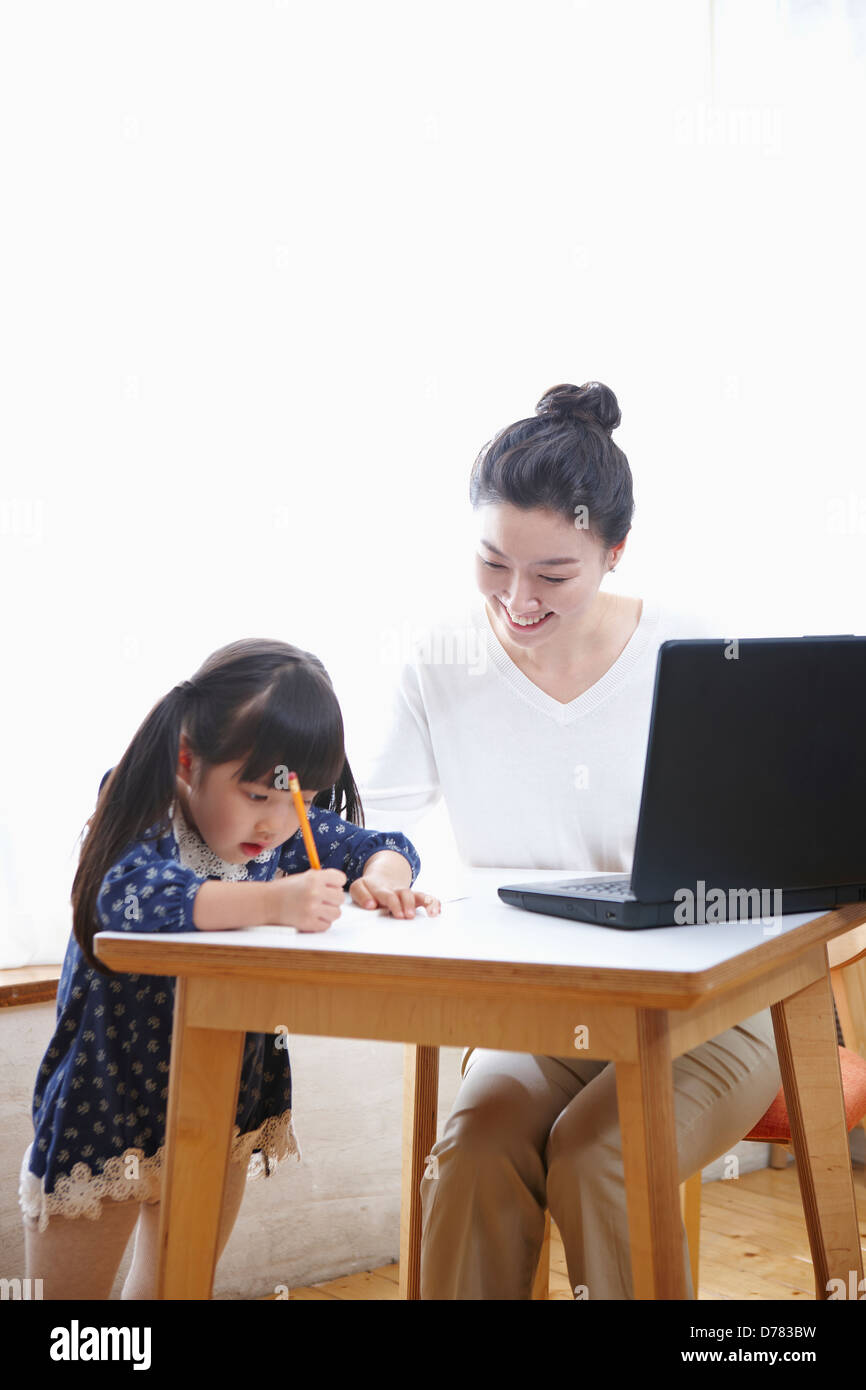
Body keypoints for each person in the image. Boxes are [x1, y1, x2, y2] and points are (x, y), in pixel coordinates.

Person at [358, 382, 782, 1299]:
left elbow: (773, 843)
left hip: (709, 1008)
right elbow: (371, 821)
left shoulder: (696, 654)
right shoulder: (442, 661)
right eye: (492, 562)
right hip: (544, 1010)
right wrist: (380, 860)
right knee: (473, 1152)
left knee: (599, 1158)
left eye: (553, 574)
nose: (517, 599)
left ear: (614, 552)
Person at [20, 636, 440, 1299]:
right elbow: (134, 898)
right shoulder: (145, 815)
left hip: (221, 1102)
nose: (274, 825)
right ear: (188, 761)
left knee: (176, 1290)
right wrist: (277, 900)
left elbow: (383, 845)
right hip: (106, 1113)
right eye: (254, 796)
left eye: (292, 801)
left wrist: (384, 880)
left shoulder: (276, 826)